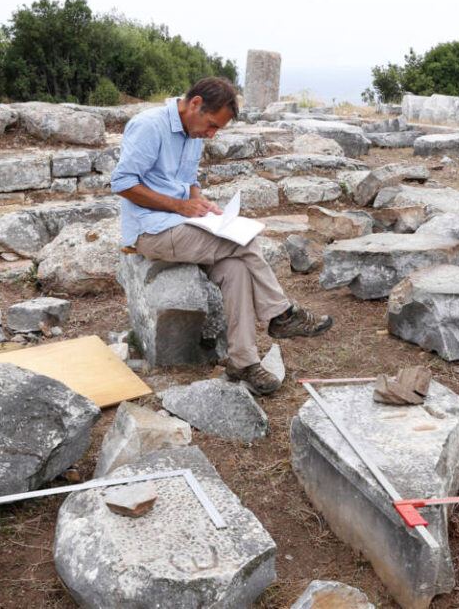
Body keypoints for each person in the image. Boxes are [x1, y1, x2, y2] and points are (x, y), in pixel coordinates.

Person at [111, 77, 333, 395]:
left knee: (237, 269)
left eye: (218, 129)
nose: (212, 134)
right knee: (244, 240)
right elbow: (122, 183)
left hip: (181, 225)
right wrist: (180, 206)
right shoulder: (149, 126)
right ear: (196, 104)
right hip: (150, 231)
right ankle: (282, 314)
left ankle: (243, 361)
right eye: (212, 125)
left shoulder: (193, 132)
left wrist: (200, 204)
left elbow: (188, 181)